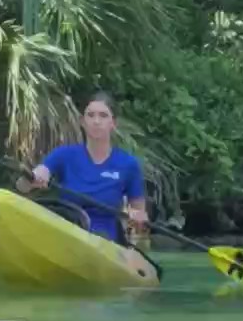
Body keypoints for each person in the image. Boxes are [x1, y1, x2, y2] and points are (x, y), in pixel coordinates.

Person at [16, 92, 149, 245]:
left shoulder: (128, 164)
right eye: (90, 115)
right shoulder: (63, 155)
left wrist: (137, 233)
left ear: (113, 123)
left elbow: (139, 214)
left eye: (103, 116)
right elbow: (23, 186)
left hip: (105, 241)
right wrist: (32, 178)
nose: (96, 121)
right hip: (67, 233)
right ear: (82, 121)